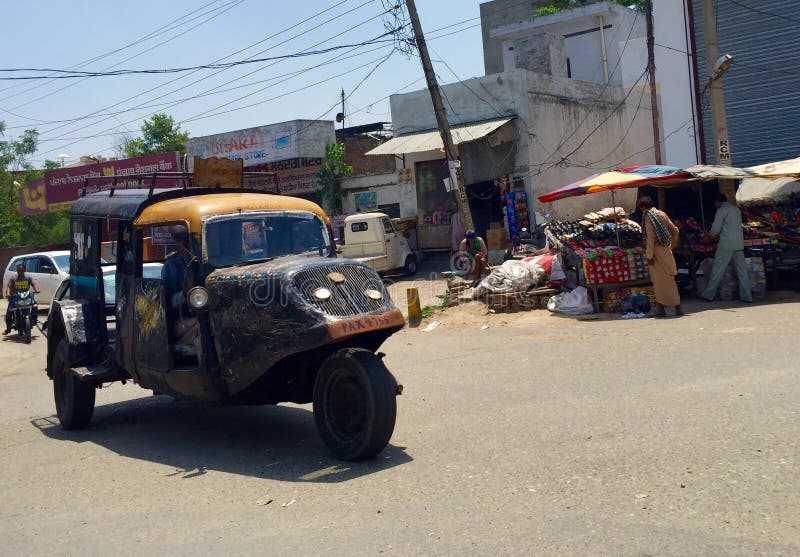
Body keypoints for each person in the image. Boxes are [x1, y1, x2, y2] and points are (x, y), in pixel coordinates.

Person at [701, 193, 752, 303]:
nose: (715, 205)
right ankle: (747, 296)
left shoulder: (721, 211)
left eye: (715, 203)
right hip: (738, 243)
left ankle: (708, 294)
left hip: (726, 244)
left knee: (718, 270)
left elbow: (716, 228)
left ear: (718, 201)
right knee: (742, 271)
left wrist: (709, 236)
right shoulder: (736, 210)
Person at [640, 196, 684, 318]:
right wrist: (671, 246)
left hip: (656, 253)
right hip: (666, 252)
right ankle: (677, 307)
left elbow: (651, 238)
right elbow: (675, 230)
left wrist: (649, 255)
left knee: (658, 282)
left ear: (643, 207)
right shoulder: (661, 214)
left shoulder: (648, 216)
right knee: (670, 281)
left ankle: (661, 310)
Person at [161, 225, 200, 354]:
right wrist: (184, 294)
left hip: (203, 315)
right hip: (182, 321)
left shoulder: (202, 263)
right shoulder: (171, 265)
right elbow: (168, 302)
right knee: (202, 327)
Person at [4, 263, 40, 334]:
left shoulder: (28, 277)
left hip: (26, 295)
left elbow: (34, 284)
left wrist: (36, 290)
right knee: (9, 313)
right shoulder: (13, 278)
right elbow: (9, 287)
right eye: (18, 270)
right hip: (15, 296)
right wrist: (8, 294)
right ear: (17, 270)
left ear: (24, 270)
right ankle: (8, 328)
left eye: (21, 270)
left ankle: (34, 320)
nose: (20, 272)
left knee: (35, 305)